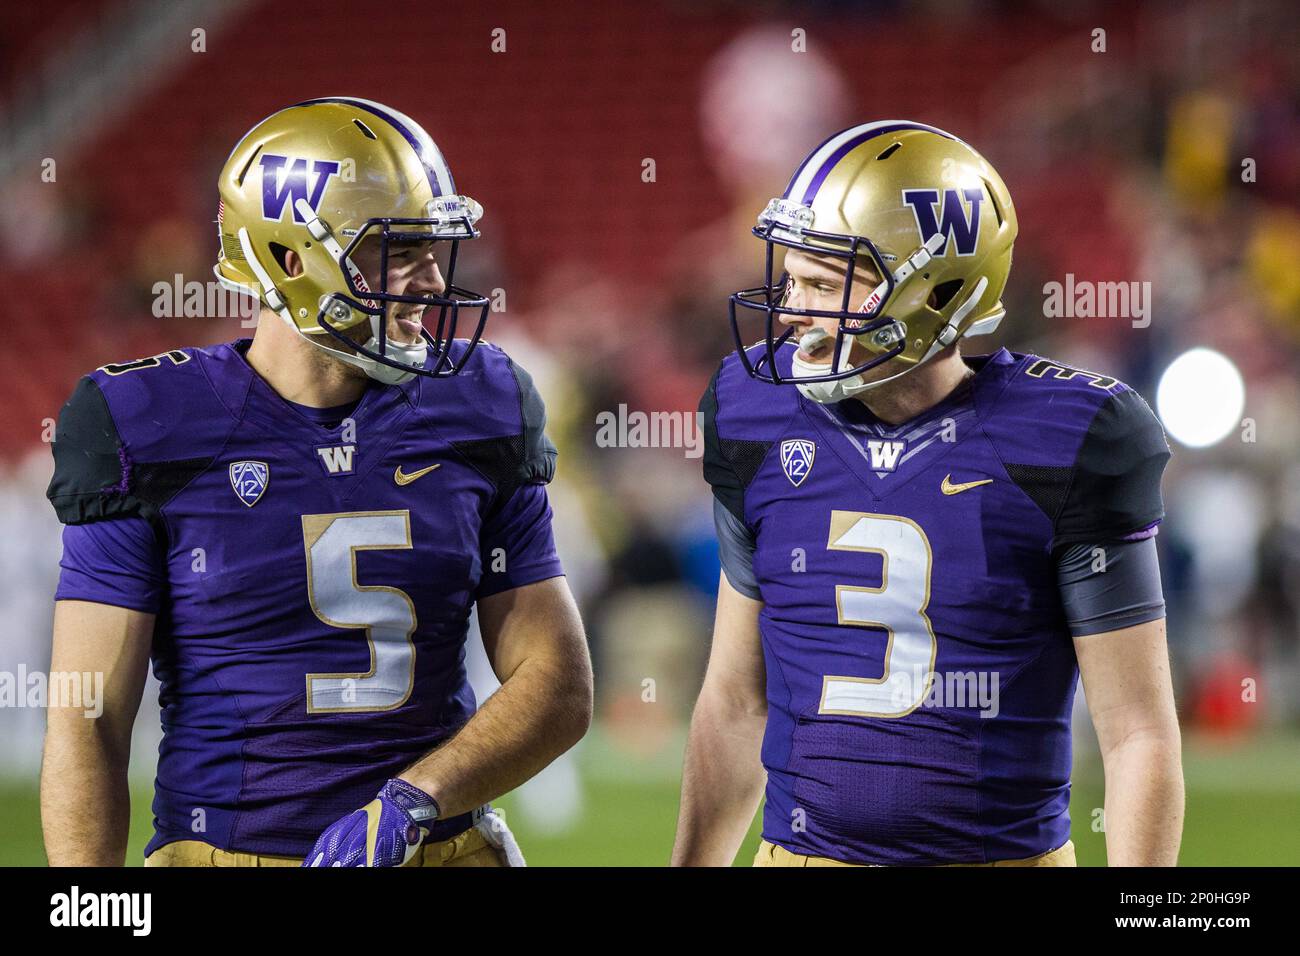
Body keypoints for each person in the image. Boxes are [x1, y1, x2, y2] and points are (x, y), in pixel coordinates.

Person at [42, 98, 592, 868]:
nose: (432, 282)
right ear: (291, 260)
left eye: (435, 249)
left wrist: (411, 803)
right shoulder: (145, 423)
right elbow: (90, 717)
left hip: (437, 847)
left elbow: (558, 683)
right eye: (397, 253)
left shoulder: (479, 403)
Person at [674, 121, 1183, 867]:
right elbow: (735, 700)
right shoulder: (754, 413)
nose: (790, 311)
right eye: (791, 280)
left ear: (931, 290)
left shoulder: (1068, 440)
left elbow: (1136, 730)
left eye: (822, 283)